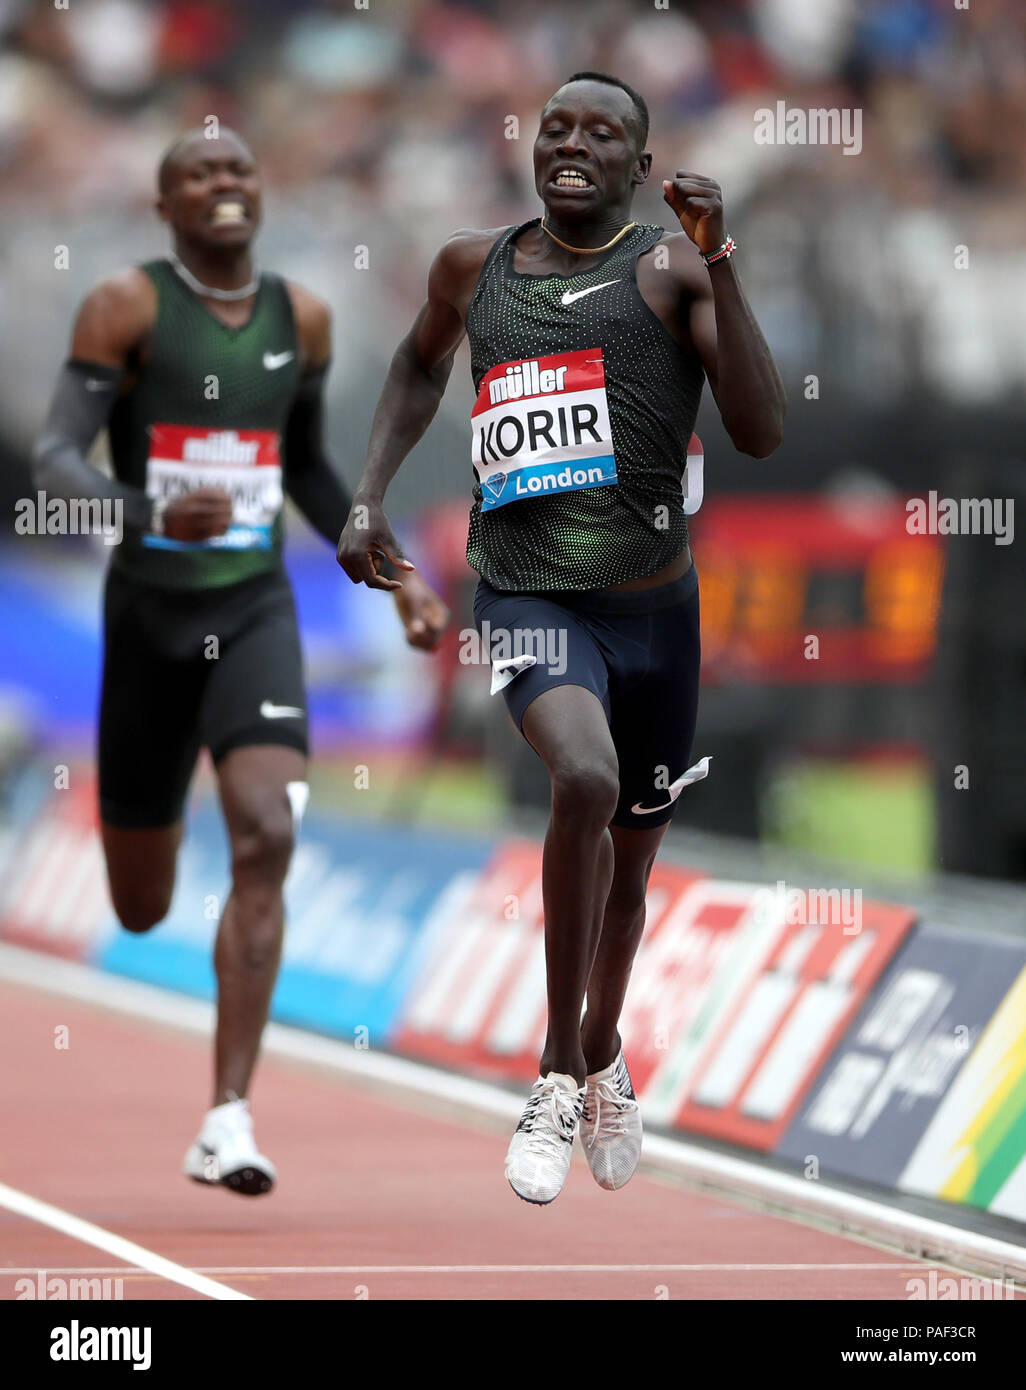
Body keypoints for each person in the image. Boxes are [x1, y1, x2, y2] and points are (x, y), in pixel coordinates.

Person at [337, 73, 784, 1204]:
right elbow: (415, 362)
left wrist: (721, 260)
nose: (572, 145)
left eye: (604, 134)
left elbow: (763, 430)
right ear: (531, 148)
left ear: (640, 167)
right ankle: (551, 1071)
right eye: (557, 128)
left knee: (633, 862)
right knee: (580, 777)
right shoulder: (468, 265)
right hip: (527, 594)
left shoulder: (671, 269)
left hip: (656, 614)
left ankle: (603, 1049)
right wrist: (368, 495)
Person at [32, 127, 449, 1197]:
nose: (225, 187)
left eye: (239, 172)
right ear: (167, 207)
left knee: (267, 825)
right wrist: (152, 505)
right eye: (199, 177)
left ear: (261, 194)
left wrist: (391, 568)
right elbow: (52, 463)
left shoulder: (301, 319)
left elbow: (306, 468)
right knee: (138, 899)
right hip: (149, 623)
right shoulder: (125, 308)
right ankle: (150, 844)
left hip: (255, 608)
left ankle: (228, 1115)